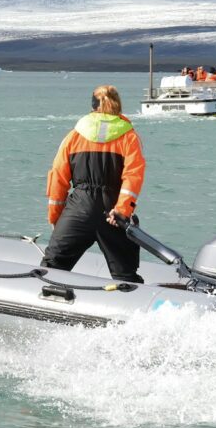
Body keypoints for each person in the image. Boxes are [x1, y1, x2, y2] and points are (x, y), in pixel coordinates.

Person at [42, 85, 146, 283]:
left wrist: (56, 219)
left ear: (92, 106)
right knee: (125, 276)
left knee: (51, 267)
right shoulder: (129, 137)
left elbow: (58, 179)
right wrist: (122, 211)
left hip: (78, 209)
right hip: (113, 214)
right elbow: (133, 176)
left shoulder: (74, 136)